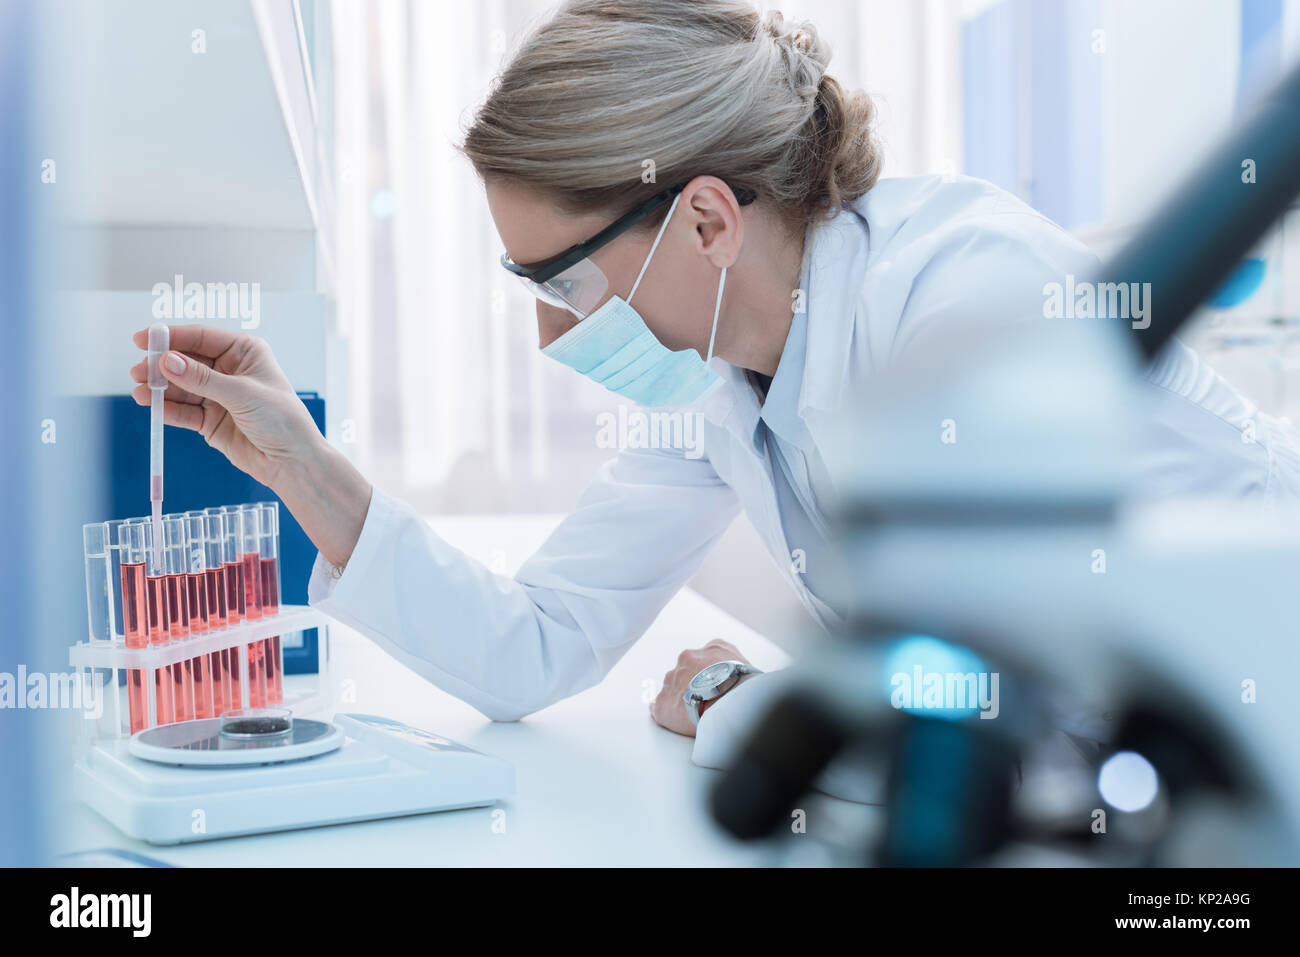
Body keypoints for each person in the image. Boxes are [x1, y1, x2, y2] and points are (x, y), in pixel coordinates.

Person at [129, 0, 1300, 801]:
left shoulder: (962, 301)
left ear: (703, 218)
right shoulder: (726, 382)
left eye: (561, 282)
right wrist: (298, 464)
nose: (546, 332)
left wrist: (743, 705)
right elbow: (532, 649)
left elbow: (1001, 720)